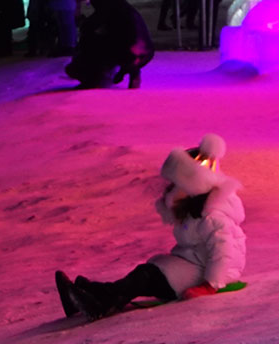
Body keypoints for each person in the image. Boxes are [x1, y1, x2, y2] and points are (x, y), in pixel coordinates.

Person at [56, 134, 245, 321]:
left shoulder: (212, 216)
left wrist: (210, 285)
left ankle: (100, 302)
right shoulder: (193, 212)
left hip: (205, 275)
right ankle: (89, 294)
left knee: (146, 276)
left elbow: (225, 251)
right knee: (145, 275)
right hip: (190, 267)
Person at [64, 0, 153, 88]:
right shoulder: (123, 7)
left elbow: (89, 26)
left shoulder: (107, 6)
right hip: (145, 52)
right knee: (116, 41)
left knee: (90, 40)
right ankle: (132, 69)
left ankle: (92, 77)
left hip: (128, 51)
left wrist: (81, 20)